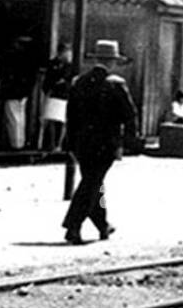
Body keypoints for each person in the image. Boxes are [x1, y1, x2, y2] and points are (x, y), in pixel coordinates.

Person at [61, 39, 137, 245]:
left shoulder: (79, 82)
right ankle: (73, 225)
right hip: (106, 144)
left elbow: (71, 115)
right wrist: (130, 141)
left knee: (94, 183)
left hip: (82, 143)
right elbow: (129, 115)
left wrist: (69, 142)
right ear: (113, 62)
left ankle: (102, 224)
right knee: (92, 183)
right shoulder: (116, 84)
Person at [1, 37, 36, 151]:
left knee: (13, 119)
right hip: (23, 92)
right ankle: (20, 142)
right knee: (21, 118)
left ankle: (15, 144)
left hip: (12, 92)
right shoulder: (29, 59)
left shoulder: (12, 58)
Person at [40, 45, 72, 153]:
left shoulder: (69, 66)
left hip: (64, 95)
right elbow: (48, 80)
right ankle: (52, 144)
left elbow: (69, 79)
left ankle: (59, 144)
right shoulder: (52, 63)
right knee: (51, 120)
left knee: (62, 120)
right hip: (53, 94)